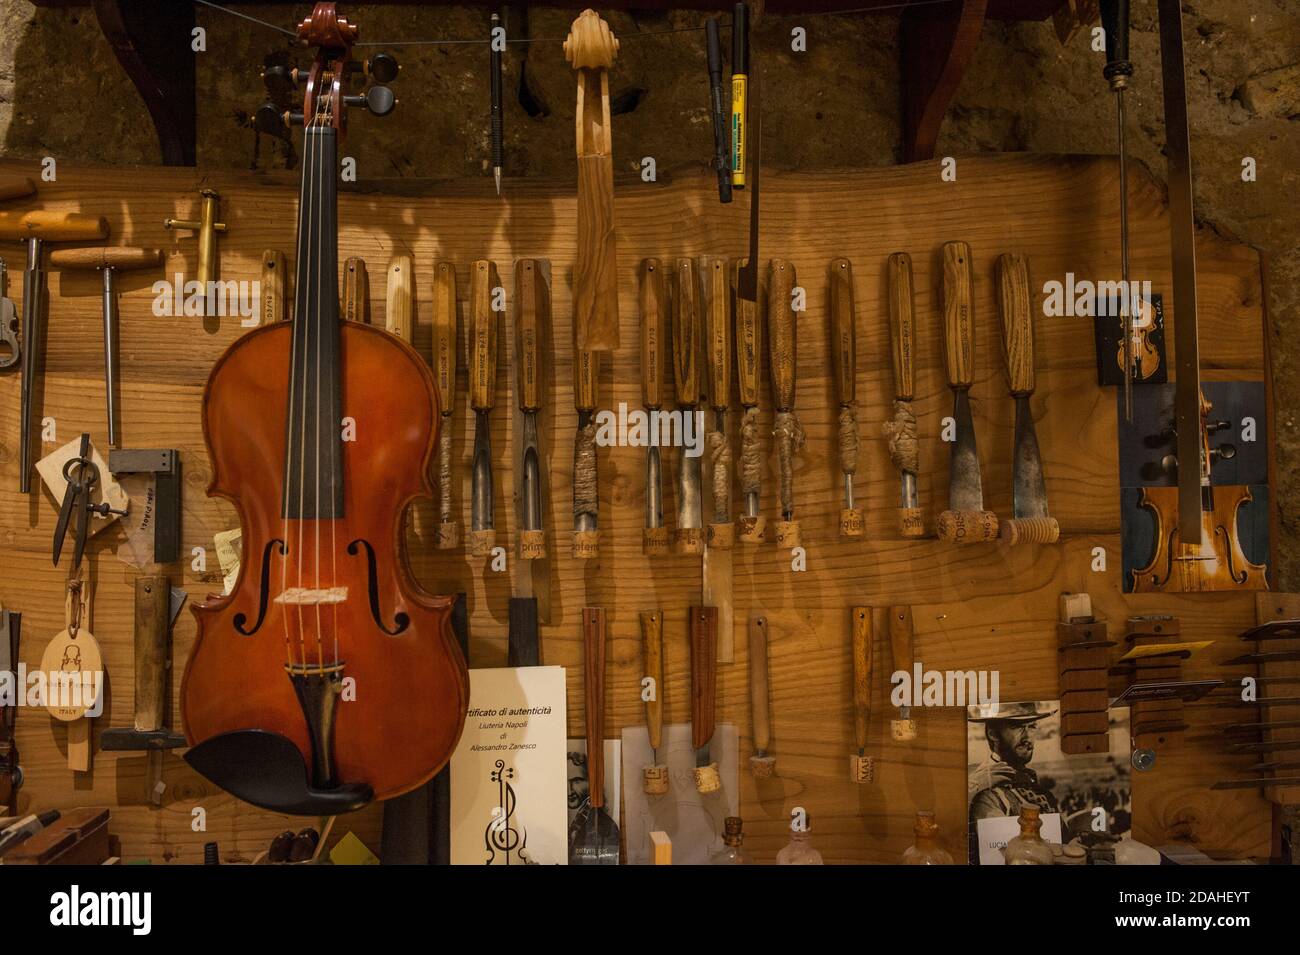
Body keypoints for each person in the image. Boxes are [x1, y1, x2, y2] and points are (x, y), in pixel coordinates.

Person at [968, 702, 1060, 821]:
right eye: (1017, 726)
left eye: (1032, 726)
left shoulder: (1036, 787)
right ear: (993, 734)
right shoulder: (981, 788)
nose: (1027, 737)